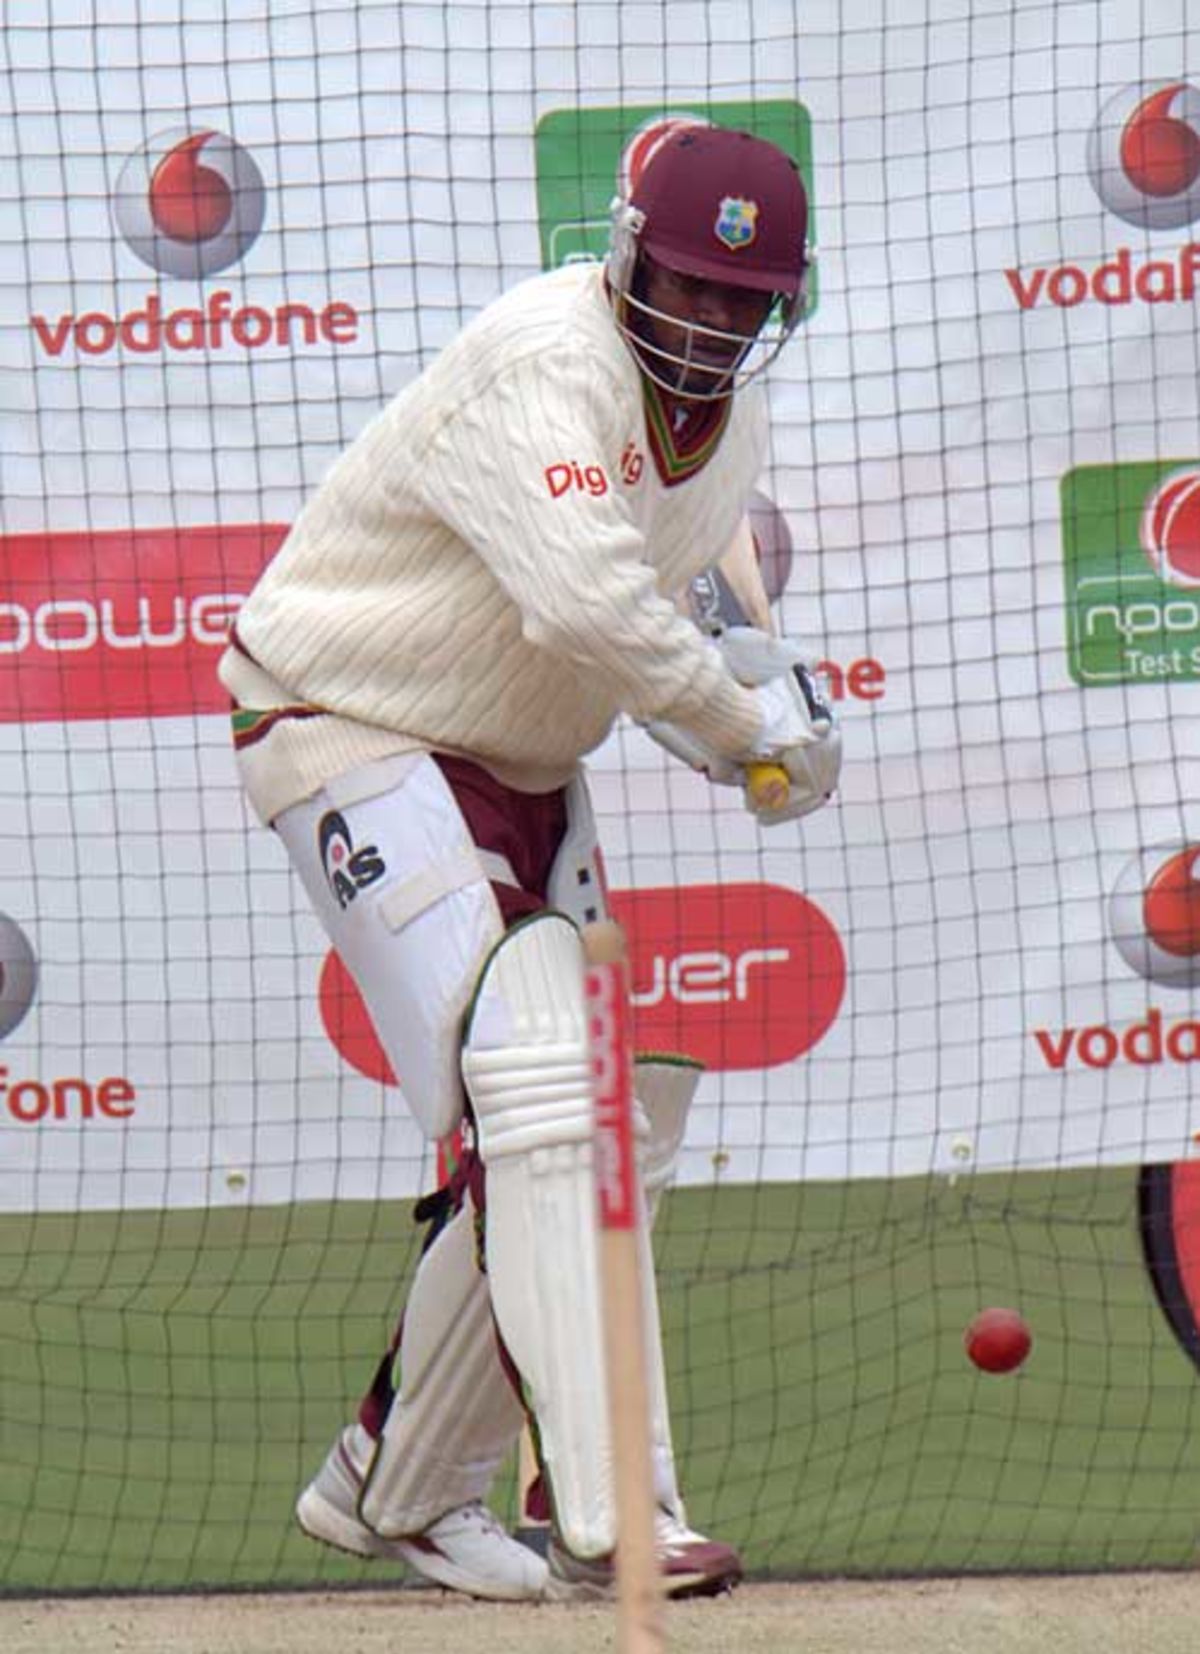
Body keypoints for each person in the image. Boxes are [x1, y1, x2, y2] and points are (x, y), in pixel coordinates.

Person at [218, 121, 841, 1603]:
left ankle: (398, 1482)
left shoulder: (728, 421)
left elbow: (665, 606)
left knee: (598, 1115)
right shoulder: (542, 362)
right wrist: (740, 712)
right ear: (629, 255)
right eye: (688, 289)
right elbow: (583, 605)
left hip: (526, 765)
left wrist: (757, 733)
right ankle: (619, 1505)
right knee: (546, 1063)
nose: (709, 328)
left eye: (741, 303)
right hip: (348, 718)